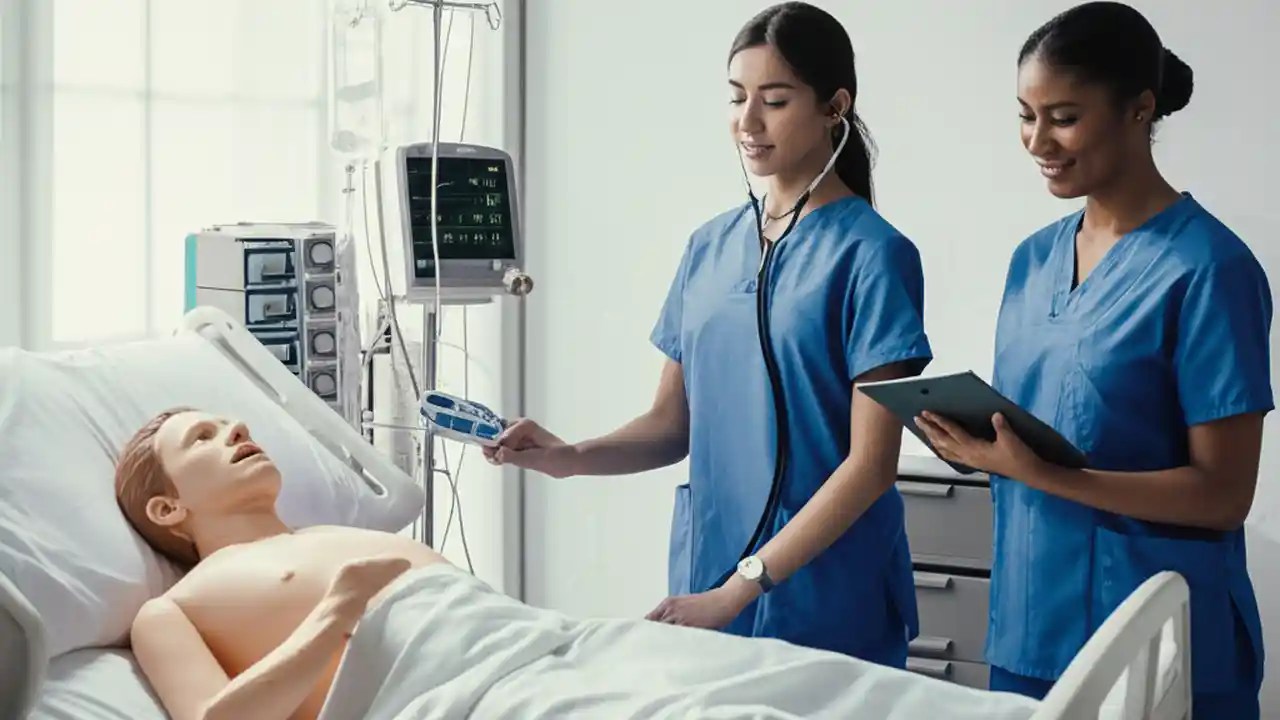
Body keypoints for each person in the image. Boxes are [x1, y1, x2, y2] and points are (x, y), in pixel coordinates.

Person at [485, 2, 933, 667]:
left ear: (835, 105)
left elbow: (868, 467)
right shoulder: (710, 247)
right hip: (709, 587)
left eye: (774, 101)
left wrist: (740, 589)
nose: (747, 123)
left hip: (829, 600)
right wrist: (570, 455)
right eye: (736, 98)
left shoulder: (874, 255)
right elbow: (672, 425)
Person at [912, 3, 1270, 717]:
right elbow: (1038, 426)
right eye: (1025, 115)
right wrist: (978, 448)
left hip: (1158, 639)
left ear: (1140, 110)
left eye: (1064, 116)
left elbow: (1224, 494)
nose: (1037, 140)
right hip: (1027, 627)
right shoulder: (1031, 260)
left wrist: (1041, 473)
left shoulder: (1210, 270)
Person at [115, 407, 441, 720]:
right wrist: (337, 609)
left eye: (231, 424)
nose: (239, 428)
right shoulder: (170, 610)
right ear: (167, 509)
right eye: (201, 437)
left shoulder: (330, 535)